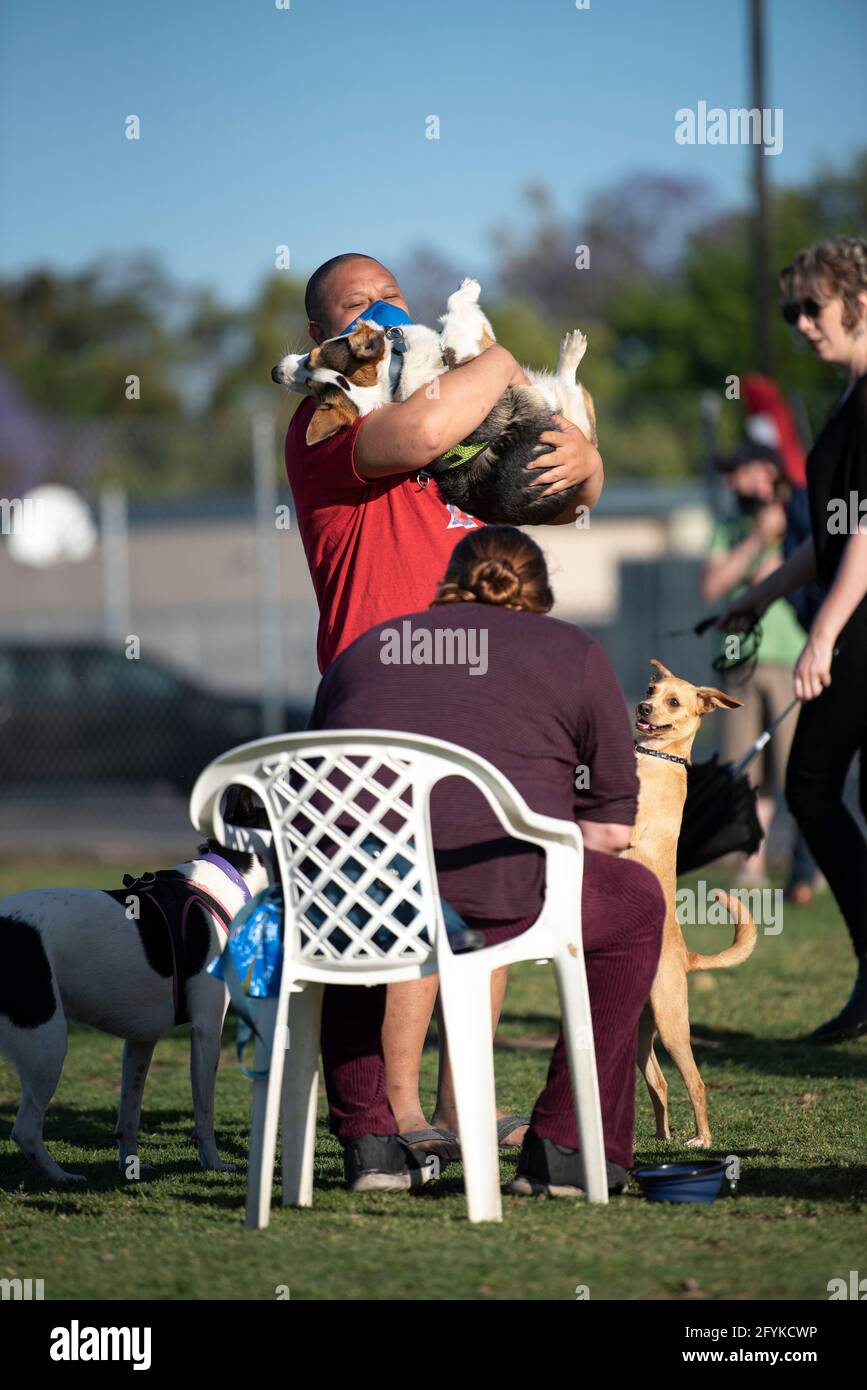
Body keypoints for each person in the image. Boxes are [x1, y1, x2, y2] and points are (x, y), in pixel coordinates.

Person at [285, 253, 606, 1160]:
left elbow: (564, 494)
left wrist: (584, 462)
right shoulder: (330, 414)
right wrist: (501, 361)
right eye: (359, 306)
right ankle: (395, 1120)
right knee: (398, 918)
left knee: (490, 904)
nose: (384, 313)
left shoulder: (454, 406)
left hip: (484, 708)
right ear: (322, 338)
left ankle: (464, 1109)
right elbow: (421, 434)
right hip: (375, 708)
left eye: (392, 297)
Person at [308, 525, 665, 1195]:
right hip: (499, 893)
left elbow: (320, 787)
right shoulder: (573, 653)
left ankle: (372, 1146)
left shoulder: (364, 649)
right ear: (539, 592)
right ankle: (565, 1146)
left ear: (450, 581)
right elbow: (612, 831)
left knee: (352, 890)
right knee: (636, 903)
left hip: (355, 896)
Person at [719, 235, 867, 1041]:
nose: (802, 324)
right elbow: (831, 537)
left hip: (856, 629)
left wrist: (823, 634)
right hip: (849, 623)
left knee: (809, 784)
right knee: (823, 791)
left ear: (859, 301)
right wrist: (753, 599)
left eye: (812, 306)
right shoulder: (846, 401)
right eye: (793, 312)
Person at [702, 440, 817, 900]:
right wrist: (755, 540)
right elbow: (714, 585)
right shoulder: (729, 529)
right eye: (732, 474)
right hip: (741, 665)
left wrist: (775, 556)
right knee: (745, 770)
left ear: (771, 473)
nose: (737, 482)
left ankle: (808, 870)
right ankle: (753, 865)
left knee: (793, 773)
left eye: (744, 471)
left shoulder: (800, 521)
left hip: (793, 662)